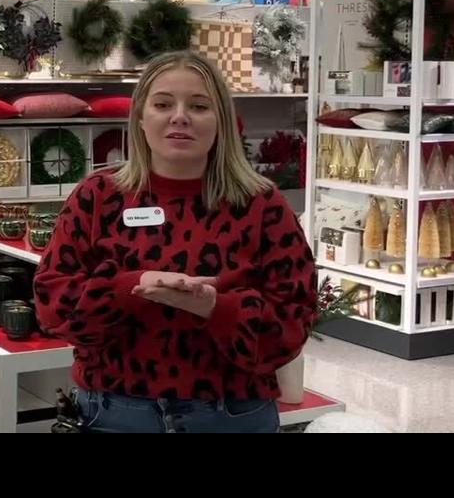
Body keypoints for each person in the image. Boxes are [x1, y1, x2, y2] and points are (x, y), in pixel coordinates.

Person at [33, 50, 316, 433]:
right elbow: (53, 307)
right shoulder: (97, 197)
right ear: (140, 118)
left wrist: (217, 308)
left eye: (198, 106)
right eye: (163, 103)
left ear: (222, 122)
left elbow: (292, 325)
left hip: (231, 416)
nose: (179, 116)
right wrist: (130, 287)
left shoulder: (262, 205)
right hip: (114, 415)